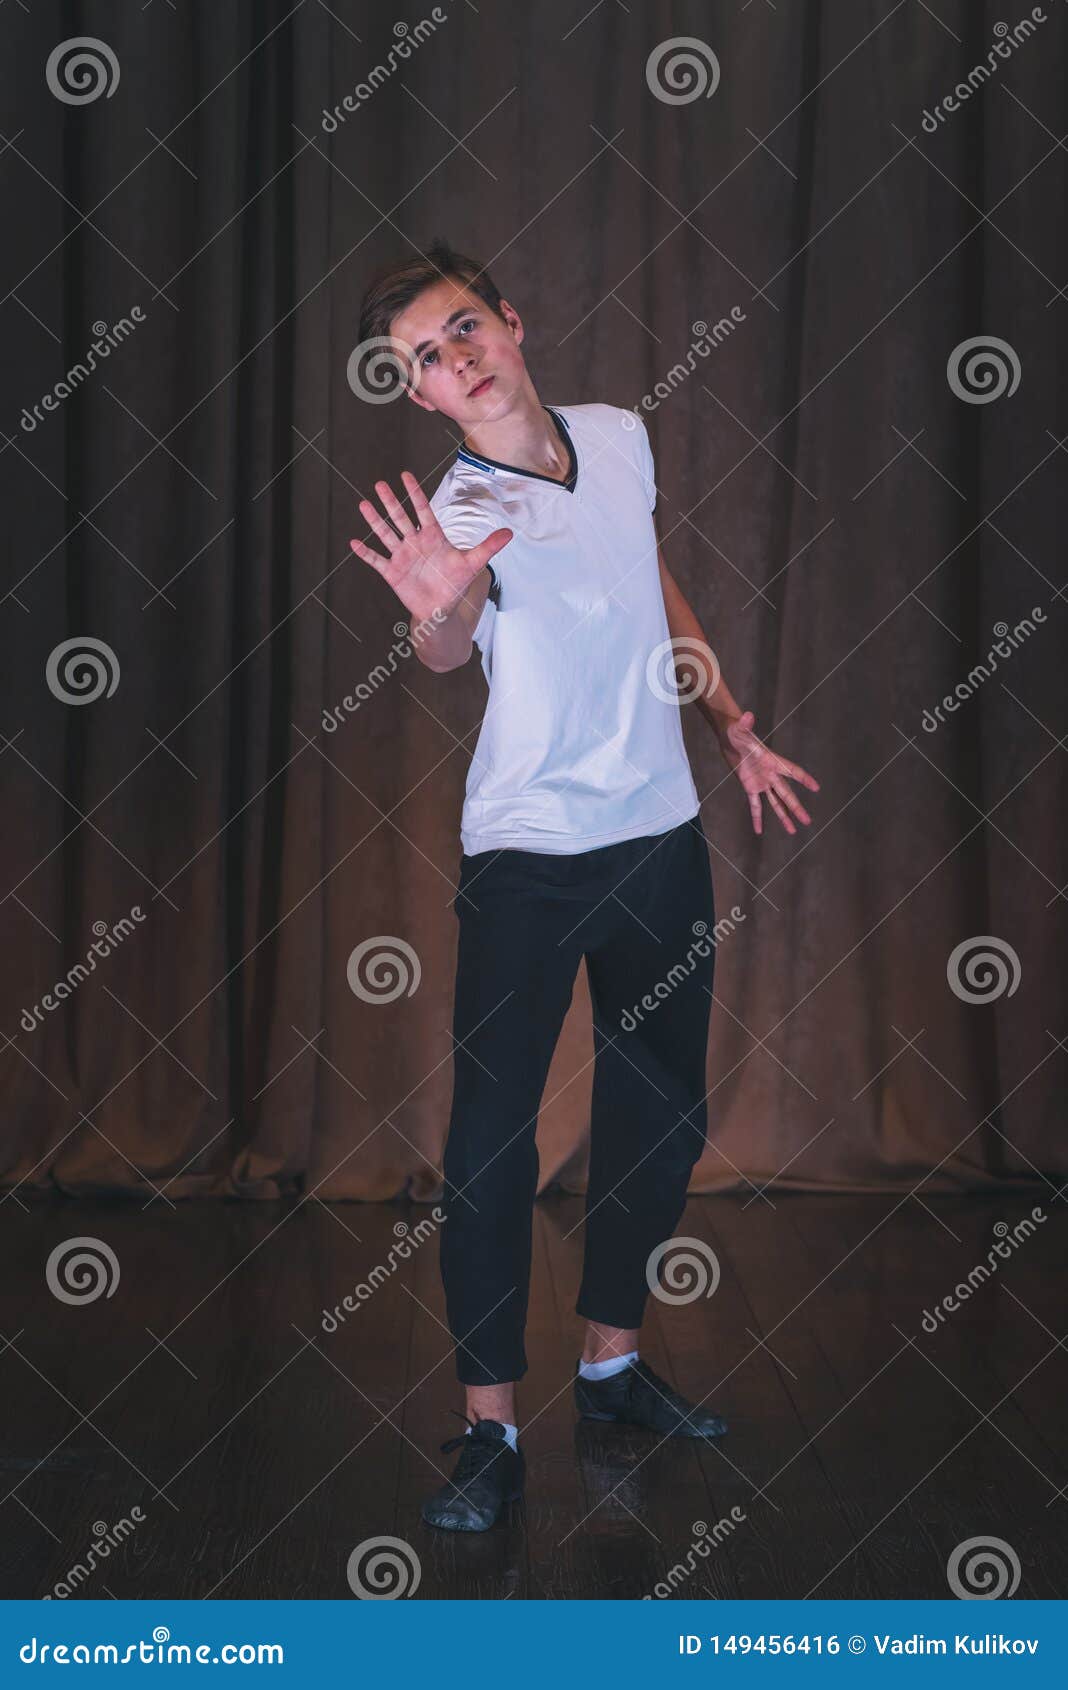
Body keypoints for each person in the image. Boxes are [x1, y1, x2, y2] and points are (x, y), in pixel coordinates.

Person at [351, 241, 820, 1533]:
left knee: (661, 1112)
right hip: (530, 856)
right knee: (492, 1151)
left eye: (461, 331)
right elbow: (446, 642)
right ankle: (491, 1434)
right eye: (424, 364)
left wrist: (725, 719)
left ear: (510, 318)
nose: (455, 362)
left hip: (658, 833)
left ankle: (609, 1369)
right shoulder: (457, 511)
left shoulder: (616, 433)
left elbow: (646, 574)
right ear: (427, 400)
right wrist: (440, 613)